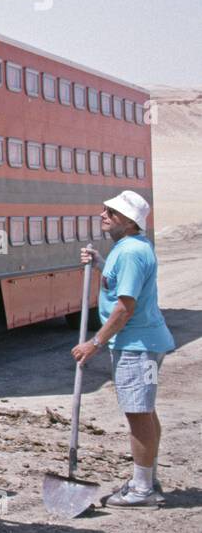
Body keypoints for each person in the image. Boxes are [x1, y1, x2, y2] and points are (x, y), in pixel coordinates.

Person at [73, 190, 174, 508]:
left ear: (129, 221)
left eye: (111, 212)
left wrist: (94, 343)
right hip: (140, 342)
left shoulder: (131, 252)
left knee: (139, 415)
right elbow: (120, 284)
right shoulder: (128, 248)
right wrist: (102, 264)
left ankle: (143, 489)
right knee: (144, 412)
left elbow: (124, 308)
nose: (103, 214)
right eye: (104, 209)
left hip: (137, 345)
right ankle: (147, 479)